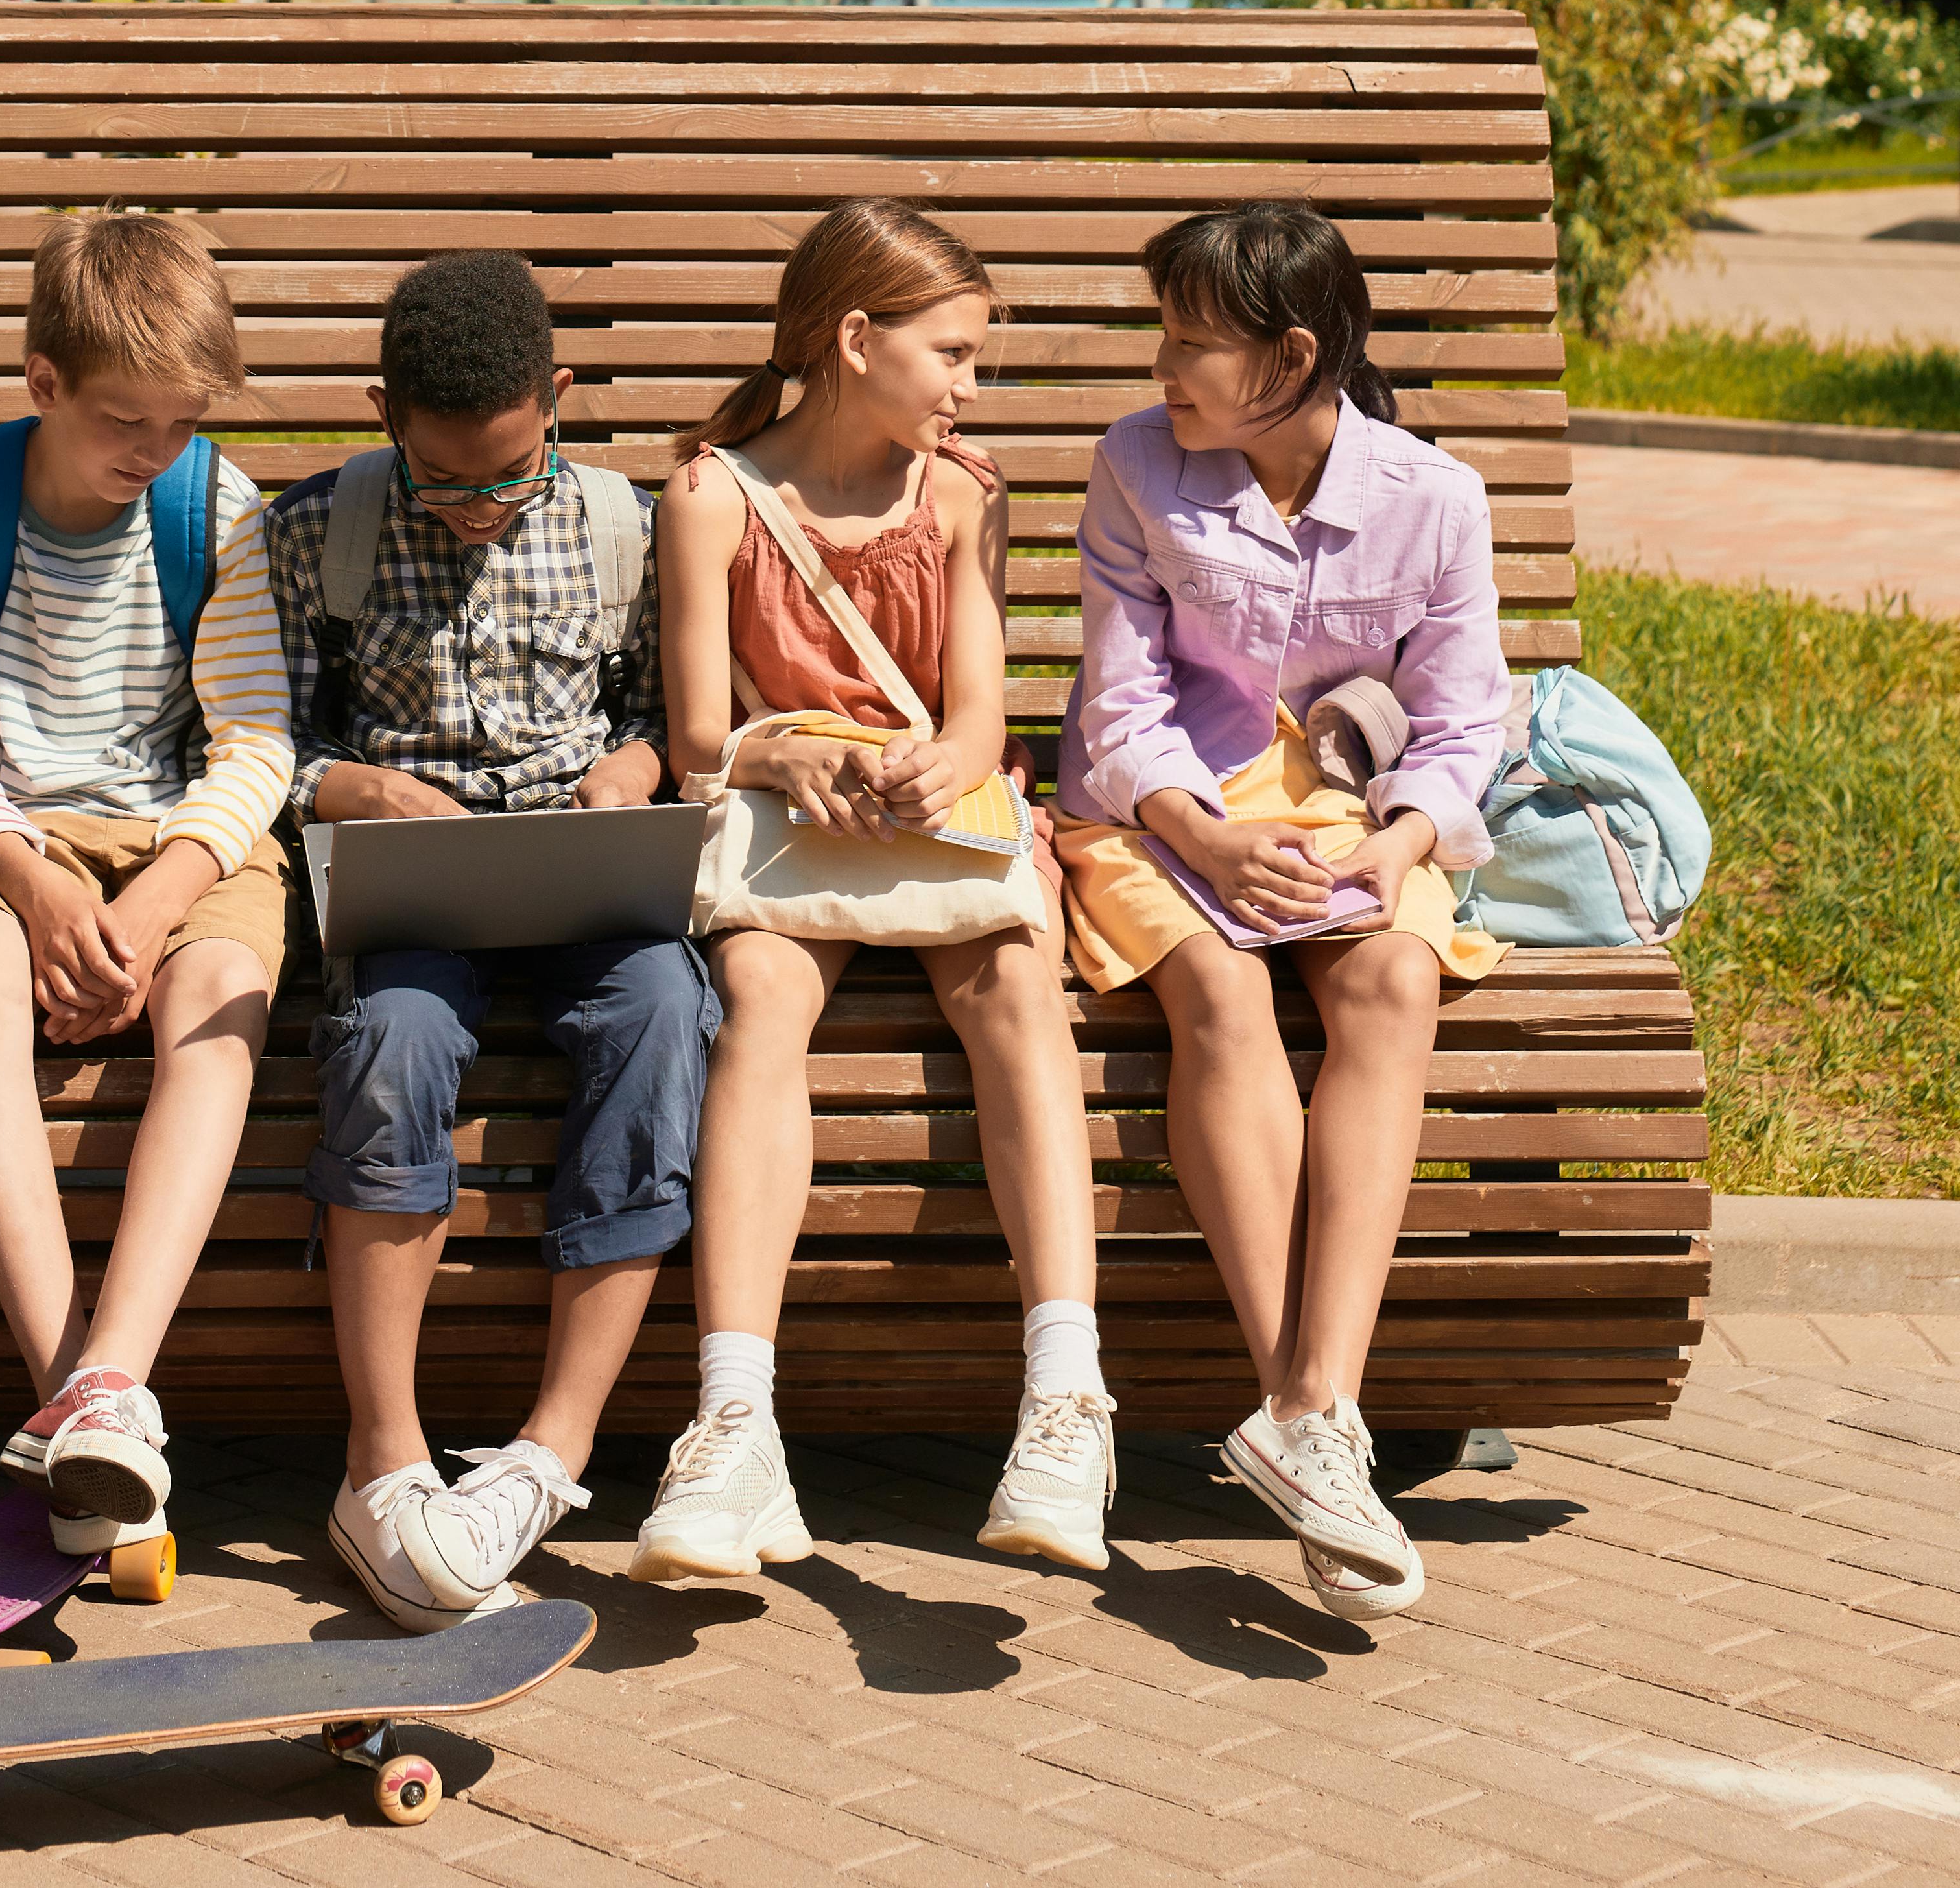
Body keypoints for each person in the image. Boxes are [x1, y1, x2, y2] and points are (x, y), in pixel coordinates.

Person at [634, 199, 1110, 1589]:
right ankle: (735, 1418)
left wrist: (939, 768)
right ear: (855, 339)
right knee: (759, 993)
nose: (971, 386)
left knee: (1014, 980)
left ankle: (1066, 1399)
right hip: (793, 819)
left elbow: (979, 716)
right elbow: (698, 735)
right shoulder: (712, 497)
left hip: (931, 810)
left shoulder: (961, 493)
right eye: (952, 353)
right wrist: (786, 755)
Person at [1055, 197, 1511, 1621]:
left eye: (1189, 342)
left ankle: (1313, 1406)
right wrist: (1201, 831)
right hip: (1161, 808)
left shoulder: (1434, 498)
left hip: (1344, 813)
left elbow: (1462, 721)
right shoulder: (1138, 464)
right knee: (1219, 990)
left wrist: (1402, 842)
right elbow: (1119, 704)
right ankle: (1306, 1427)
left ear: (1293, 357)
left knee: (1392, 980)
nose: (1162, 368)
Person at [265, 248, 712, 1632]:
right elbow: (262, 736)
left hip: (584, 868)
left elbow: (662, 714)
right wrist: (346, 788)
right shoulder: (317, 529)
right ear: (383, 414)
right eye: (443, 481)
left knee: (663, 1013)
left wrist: (636, 769)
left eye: (509, 479)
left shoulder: (626, 526)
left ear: (559, 398)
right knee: (392, 1040)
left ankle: (547, 1454)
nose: (475, 511)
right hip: (413, 881)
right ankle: (384, 1457)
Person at [0, 207, 294, 1552]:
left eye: (183, 422)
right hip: (8, 835)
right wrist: (40, 889)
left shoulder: (214, 507)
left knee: (221, 1007)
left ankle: (110, 1377)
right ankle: (82, 1398)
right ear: (43, 380)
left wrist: (153, 904)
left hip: (184, 841)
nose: (154, 450)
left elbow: (254, 742)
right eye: (125, 420)